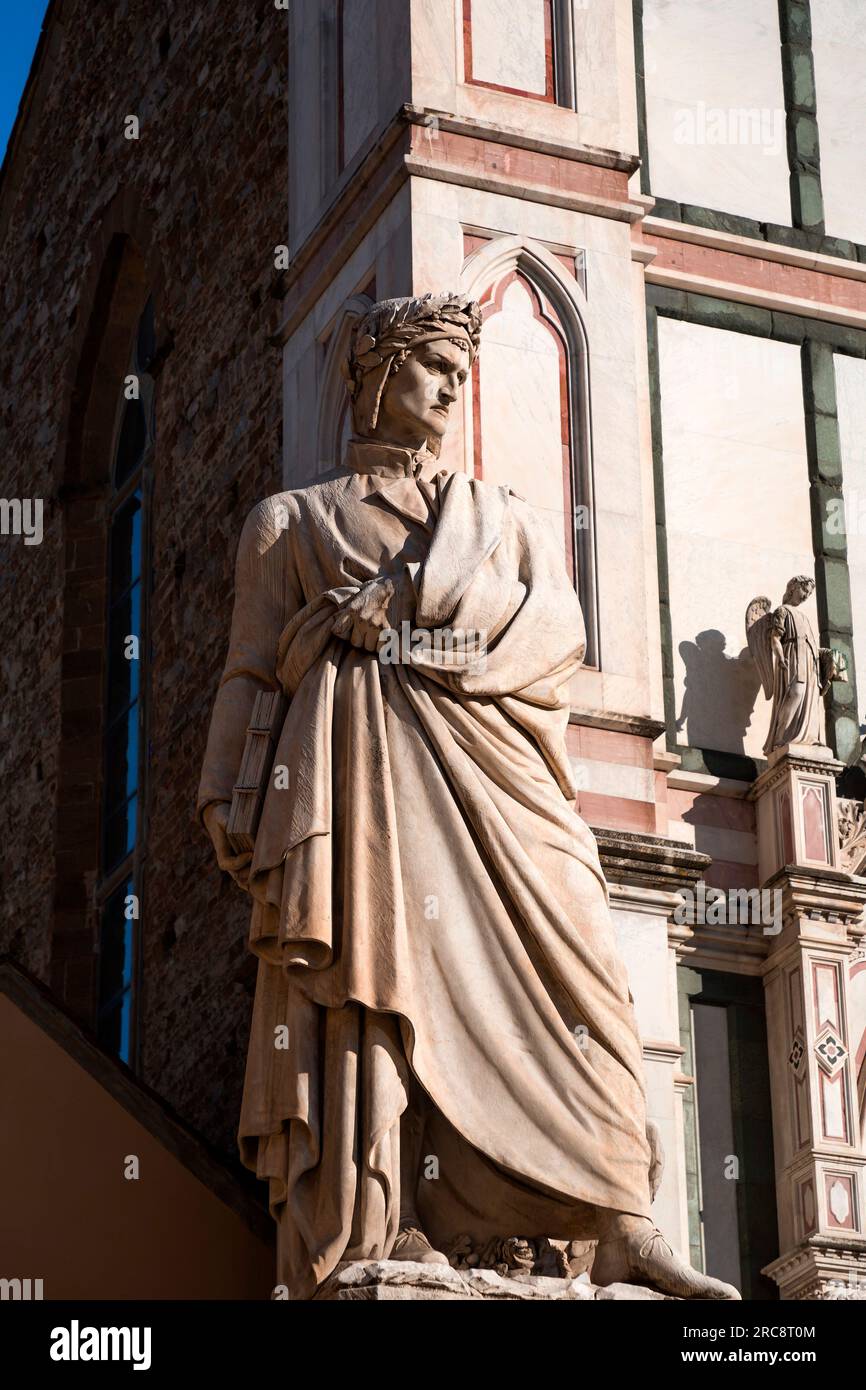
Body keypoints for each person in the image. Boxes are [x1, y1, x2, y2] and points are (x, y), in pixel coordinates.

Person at [198, 291, 739, 1300]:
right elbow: (249, 670)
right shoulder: (291, 523)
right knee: (378, 983)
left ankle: (616, 1217)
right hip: (364, 791)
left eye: (460, 369)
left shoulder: (505, 523)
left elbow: (553, 642)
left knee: (586, 977)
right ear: (374, 373)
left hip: (502, 780)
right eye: (432, 364)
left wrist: (404, 620)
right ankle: (386, 1213)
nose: (451, 387)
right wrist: (229, 793)